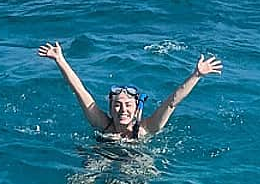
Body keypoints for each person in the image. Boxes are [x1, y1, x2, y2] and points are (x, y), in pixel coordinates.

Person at [36, 41, 223, 140]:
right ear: (110, 109)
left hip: (134, 164)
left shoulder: (147, 128)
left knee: (141, 178)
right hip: (105, 158)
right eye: (117, 105)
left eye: (127, 105)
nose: (123, 110)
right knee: (81, 180)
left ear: (136, 109)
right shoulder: (103, 124)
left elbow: (172, 101)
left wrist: (196, 75)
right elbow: (79, 90)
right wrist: (60, 60)